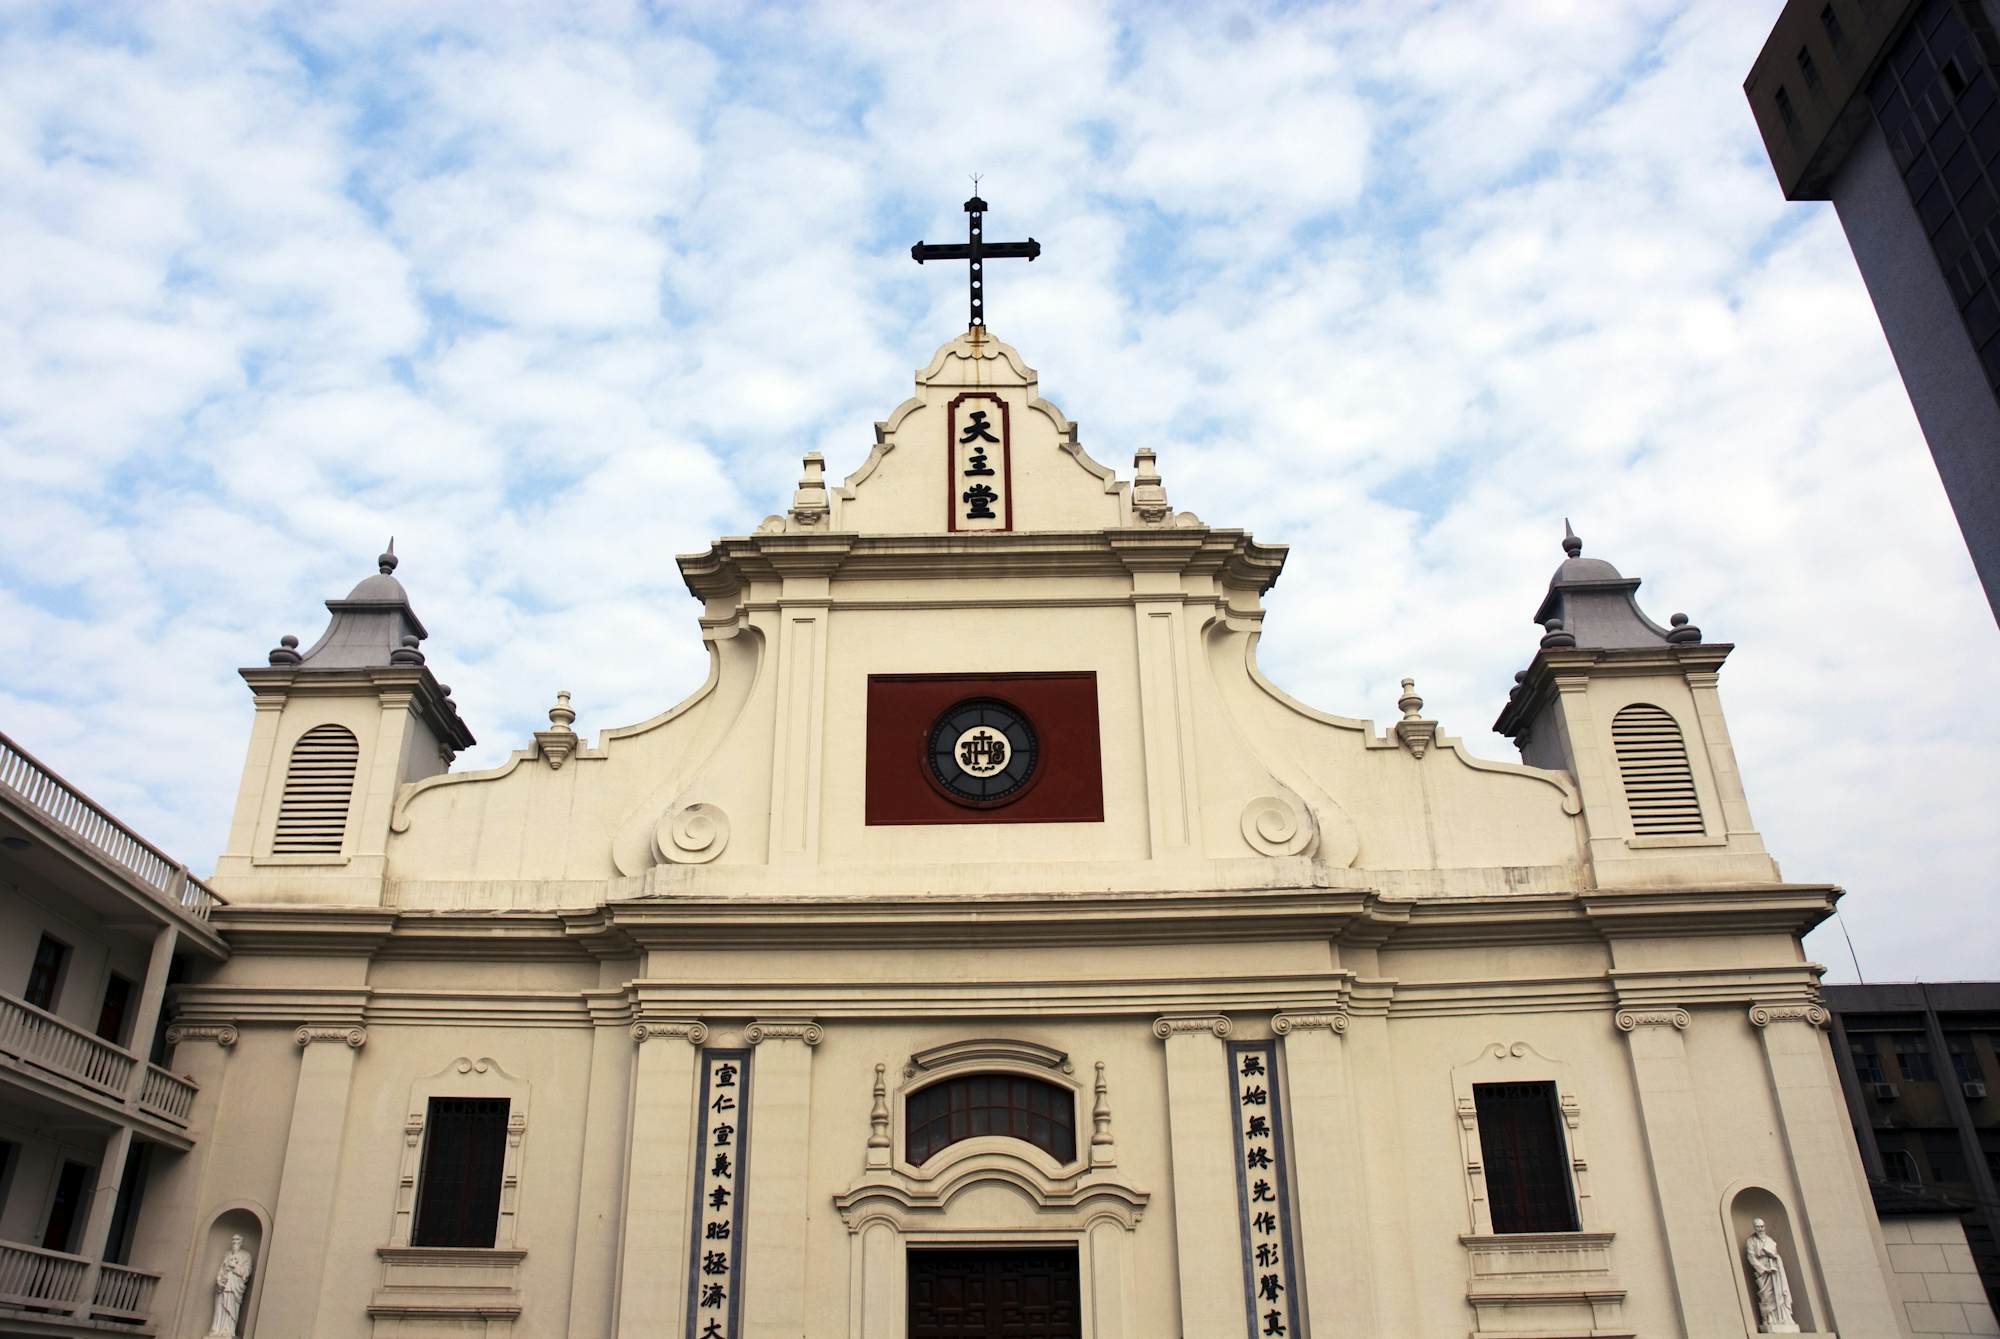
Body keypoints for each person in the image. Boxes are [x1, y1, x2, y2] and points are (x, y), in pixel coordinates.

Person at [1744, 1218, 1799, 1334]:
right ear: (1754, 1228)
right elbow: (1751, 1257)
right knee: (1766, 1295)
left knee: (1778, 1293)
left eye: (1762, 1226)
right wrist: (1763, 1269)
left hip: (1774, 1270)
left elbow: (1775, 1254)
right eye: (1758, 1227)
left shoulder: (1770, 1240)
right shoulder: (1751, 1241)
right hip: (1763, 1272)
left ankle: (1783, 1318)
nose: (1760, 1229)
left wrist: (1774, 1260)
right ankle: (1769, 1318)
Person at [206, 1233, 253, 1338]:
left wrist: (235, 1267)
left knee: (231, 1309)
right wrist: (218, 1279)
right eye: (233, 1239)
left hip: (235, 1287)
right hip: (223, 1284)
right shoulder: (227, 1254)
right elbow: (221, 1268)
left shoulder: (246, 1255)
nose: (234, 1241)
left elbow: (247, 1272)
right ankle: (216, 1330)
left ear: (241, 1241)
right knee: (219, 1308)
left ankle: (228, 1331)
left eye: (237, 1239)